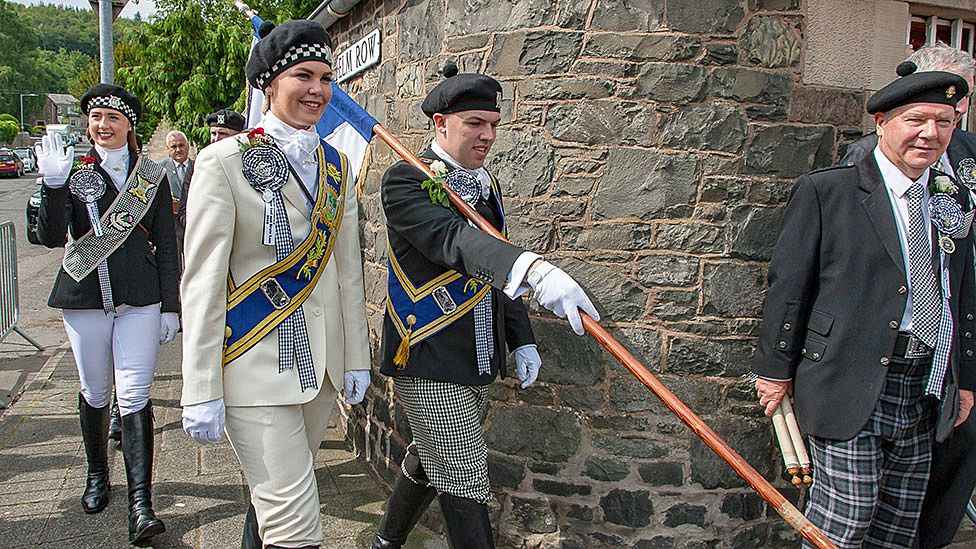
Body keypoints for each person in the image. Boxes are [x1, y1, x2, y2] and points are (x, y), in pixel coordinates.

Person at [370, 66, 599, 549]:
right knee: (464, 475)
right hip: (429, 352)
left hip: (476, 355)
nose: (488, 135)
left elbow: (496, 259)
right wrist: (535, 270)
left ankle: (387, 540)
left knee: (431, 457)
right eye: (475, 122)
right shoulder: (405, 180)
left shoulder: (485, 184)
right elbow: (452, 241)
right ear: (441, 123)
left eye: (493, 124)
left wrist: (522, 339)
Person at [753, 68, 976, 548]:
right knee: (843, 527)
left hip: (925, 387)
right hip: (847, 381)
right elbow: (788, 286)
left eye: (944, 121)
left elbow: (963, 294)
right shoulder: (828, 190)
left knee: (897, 531)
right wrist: (774, 370)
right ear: (881, 122)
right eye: (916, 119)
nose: (930, 134)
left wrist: (967, 380)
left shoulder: (952, 198)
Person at [179, 19, 370, 549]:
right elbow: (202, 281)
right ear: (269, 84)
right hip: (253, 367)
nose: (317, 89)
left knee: (277, 503)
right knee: (295, 525)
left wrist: (356, 356)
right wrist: (199, 388)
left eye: (326, 77)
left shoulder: (337, 164)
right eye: (303, 75)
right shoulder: (223, 162)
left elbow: (346, 273)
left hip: (322, 369)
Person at [836, 45, 976, 549]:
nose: (940, 125)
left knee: (938, 484)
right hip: (876, 361)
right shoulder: (862, 163)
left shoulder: (967, 153)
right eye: (927, 112)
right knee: (855, 515)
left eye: (954, 112)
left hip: (948, 347)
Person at [34, 83, 179, 545]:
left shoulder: (150, 176)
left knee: (134, 395)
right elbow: (55, 235)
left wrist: (170, 305)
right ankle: (98, 474)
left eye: (113, 118)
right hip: (84, 299)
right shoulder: (76, 174)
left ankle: (141, 503)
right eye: (96, 118)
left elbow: (167, 244)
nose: (103, 126)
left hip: (140, 297)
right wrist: (53, 186)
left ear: (129, 125)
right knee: (96, 391)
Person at [176, 109, 245, 241]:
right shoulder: (197, 166)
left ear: (238, 136)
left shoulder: (247, 165)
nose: (216, 139)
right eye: (213, 133)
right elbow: (184, 210)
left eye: (223, 133)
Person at [160, 130, 193, 260]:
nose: (178, 150)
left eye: (181, 145)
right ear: (168, 149)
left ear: (188, 146)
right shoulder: (159, 169)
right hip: (171, 224)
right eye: (174, 147)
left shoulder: (199, 167)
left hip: (193, 220)